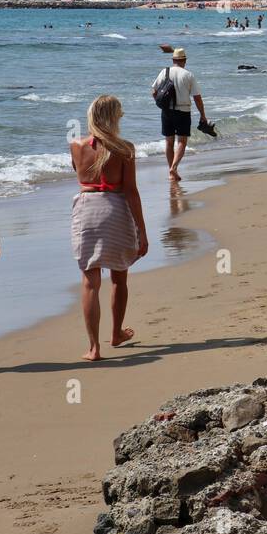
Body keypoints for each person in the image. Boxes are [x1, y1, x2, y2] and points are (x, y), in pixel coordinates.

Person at [69, 95, 148, 361]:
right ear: (114, 118)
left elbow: (80, 175)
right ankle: (116, 333)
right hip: (115, 208)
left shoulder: (76, 146)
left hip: (86, 209)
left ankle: (93, 347)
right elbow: (131, 192)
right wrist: (143, 232)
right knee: (119, 278)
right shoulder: (125, 148)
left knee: (90, 282)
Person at [150, 47, 207, 181]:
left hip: (166, 111)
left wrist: (160, 104)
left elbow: (154, 91)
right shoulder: (188, 75)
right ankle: (174, 168)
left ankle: (171, 172)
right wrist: (202, 114)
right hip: (183, 111)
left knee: (169, 142)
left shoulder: (165, 72)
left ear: (173, 60)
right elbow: (197, 97)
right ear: (184, 60)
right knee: (182, 141)